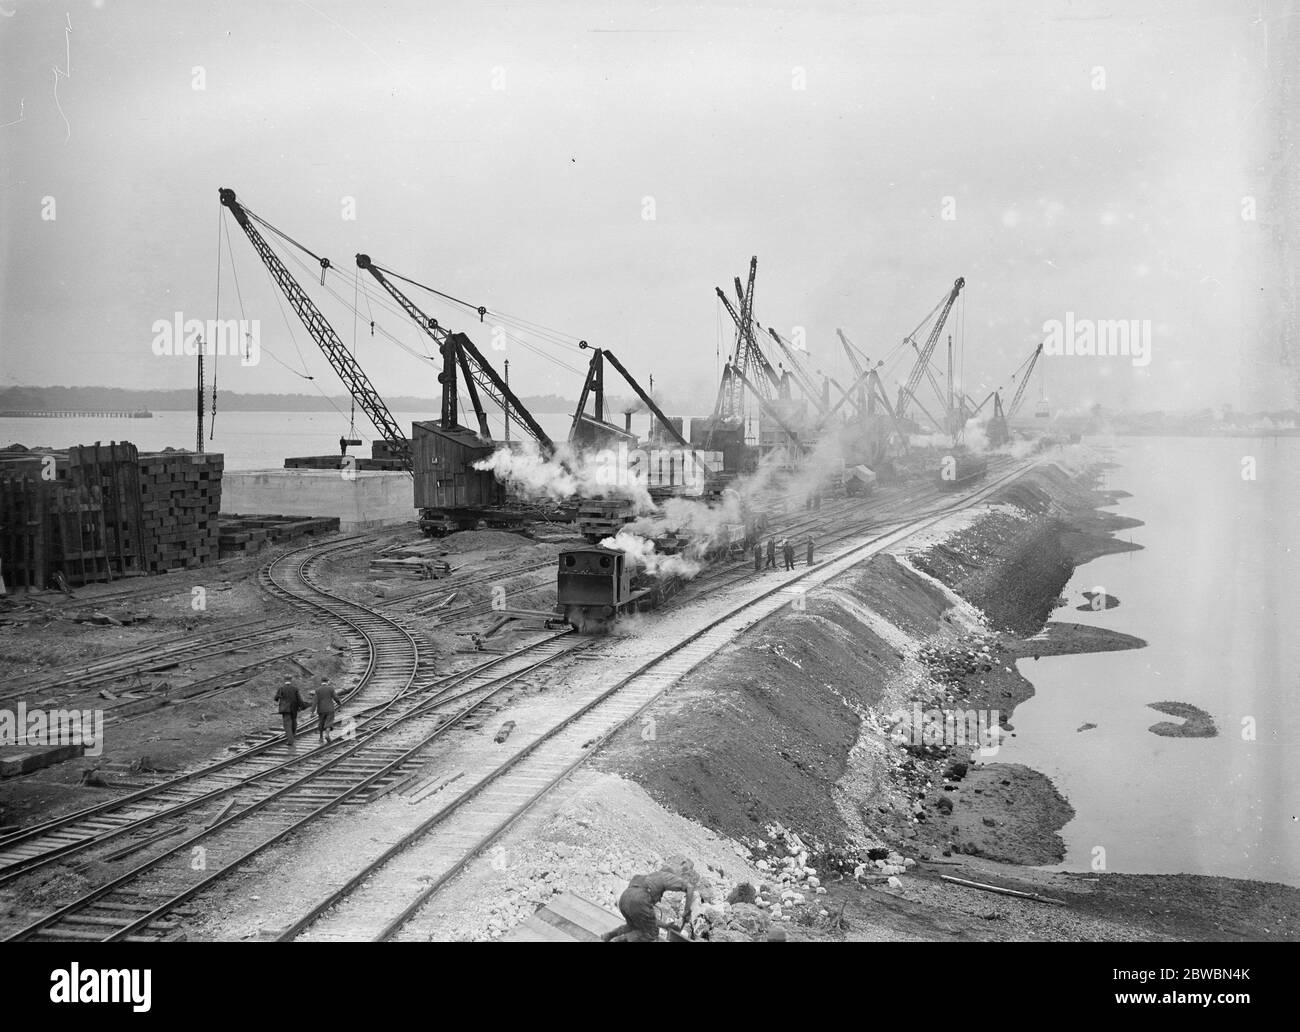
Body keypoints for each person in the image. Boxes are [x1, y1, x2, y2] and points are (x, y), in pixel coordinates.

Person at [601, 869, 696, 942]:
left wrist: (666, 926)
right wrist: (687, 912)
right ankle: (619, 940)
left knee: (634, 927)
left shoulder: (646, 878)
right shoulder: (666, 877)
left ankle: (609, 935)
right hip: (639, 901)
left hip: (624, 898)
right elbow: (690, 887)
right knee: (653, 933)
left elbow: (649, 920)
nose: (659, 899)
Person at [274, 677, 302, 747]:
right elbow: (299, 699)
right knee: (294, 722)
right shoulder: (295, 689)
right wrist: (301, 707)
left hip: (285, 709)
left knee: (287, 725)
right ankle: (292, 736)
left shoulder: (281, 688)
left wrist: (278, 698)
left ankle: (290, 740)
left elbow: (276, 698)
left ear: (284, 681)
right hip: (294, 709)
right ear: (291, 681)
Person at [314, 678, 341, 744]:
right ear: (328, 682)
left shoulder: (317, 690)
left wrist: (313, 711)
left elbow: (315, 701)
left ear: (321, 682)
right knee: (329, 722)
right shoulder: (331, 688)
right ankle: (327, 735)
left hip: (321, 709)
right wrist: (339, 703)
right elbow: (335, 697)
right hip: (329, 709)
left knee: (321, 722)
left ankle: (321, 738)